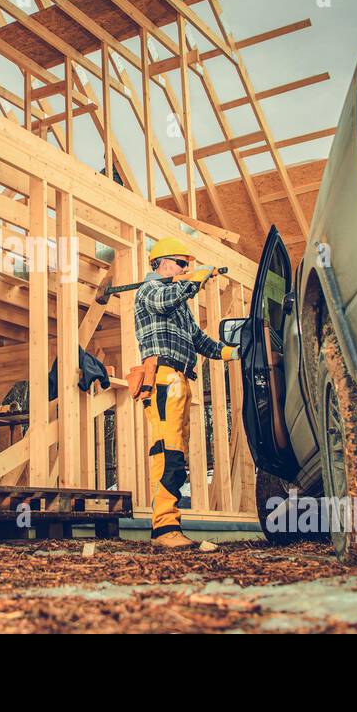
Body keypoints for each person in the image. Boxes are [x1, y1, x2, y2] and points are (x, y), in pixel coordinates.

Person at [133, 236, 238, 551]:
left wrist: (235, 352)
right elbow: (164, 300)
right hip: (163, 377)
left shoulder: (181, 308)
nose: (185, 269)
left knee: (176, 453)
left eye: (187, 266)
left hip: (181, 380)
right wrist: (192, 282)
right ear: (163, 263)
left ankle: (169, 525)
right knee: (168, 453)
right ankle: (165, 528)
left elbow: (202, 342)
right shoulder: (149, 290)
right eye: (182, 263)